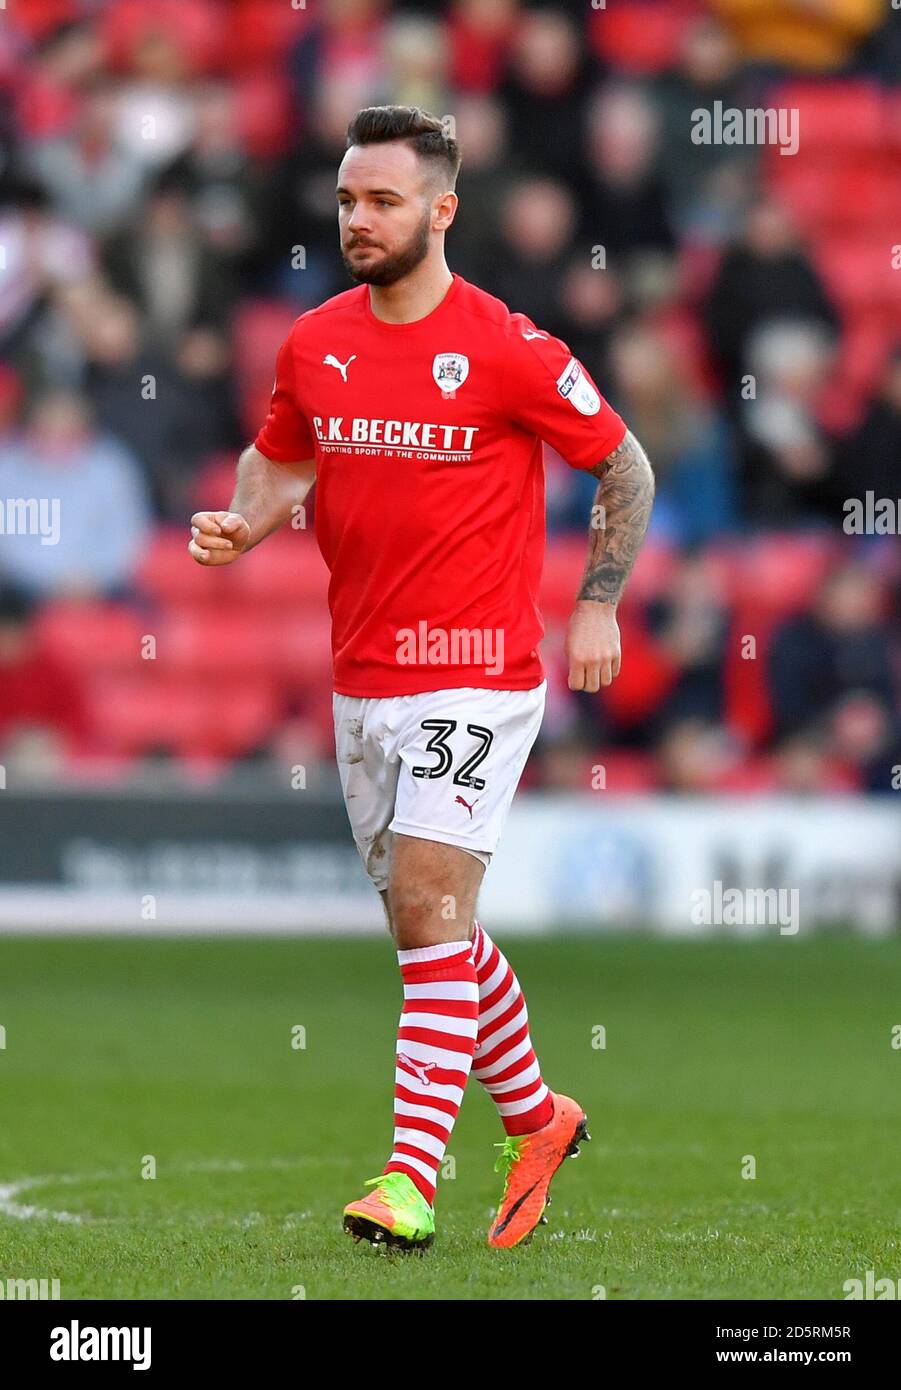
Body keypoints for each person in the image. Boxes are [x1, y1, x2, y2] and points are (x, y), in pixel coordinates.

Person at [188, 105, 655, 1253]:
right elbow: (283, 451)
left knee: (431, 906)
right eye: (348, 199)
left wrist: (595, 600)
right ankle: (538, 1117)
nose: (359, 218)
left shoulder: (505, 345)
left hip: (479, 673)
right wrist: (250, 520)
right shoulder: (312, 342)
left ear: (441, 210)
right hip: (365, 681)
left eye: (383, 200)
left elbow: (623, 462)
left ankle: (408, 1181)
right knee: (429, 927)